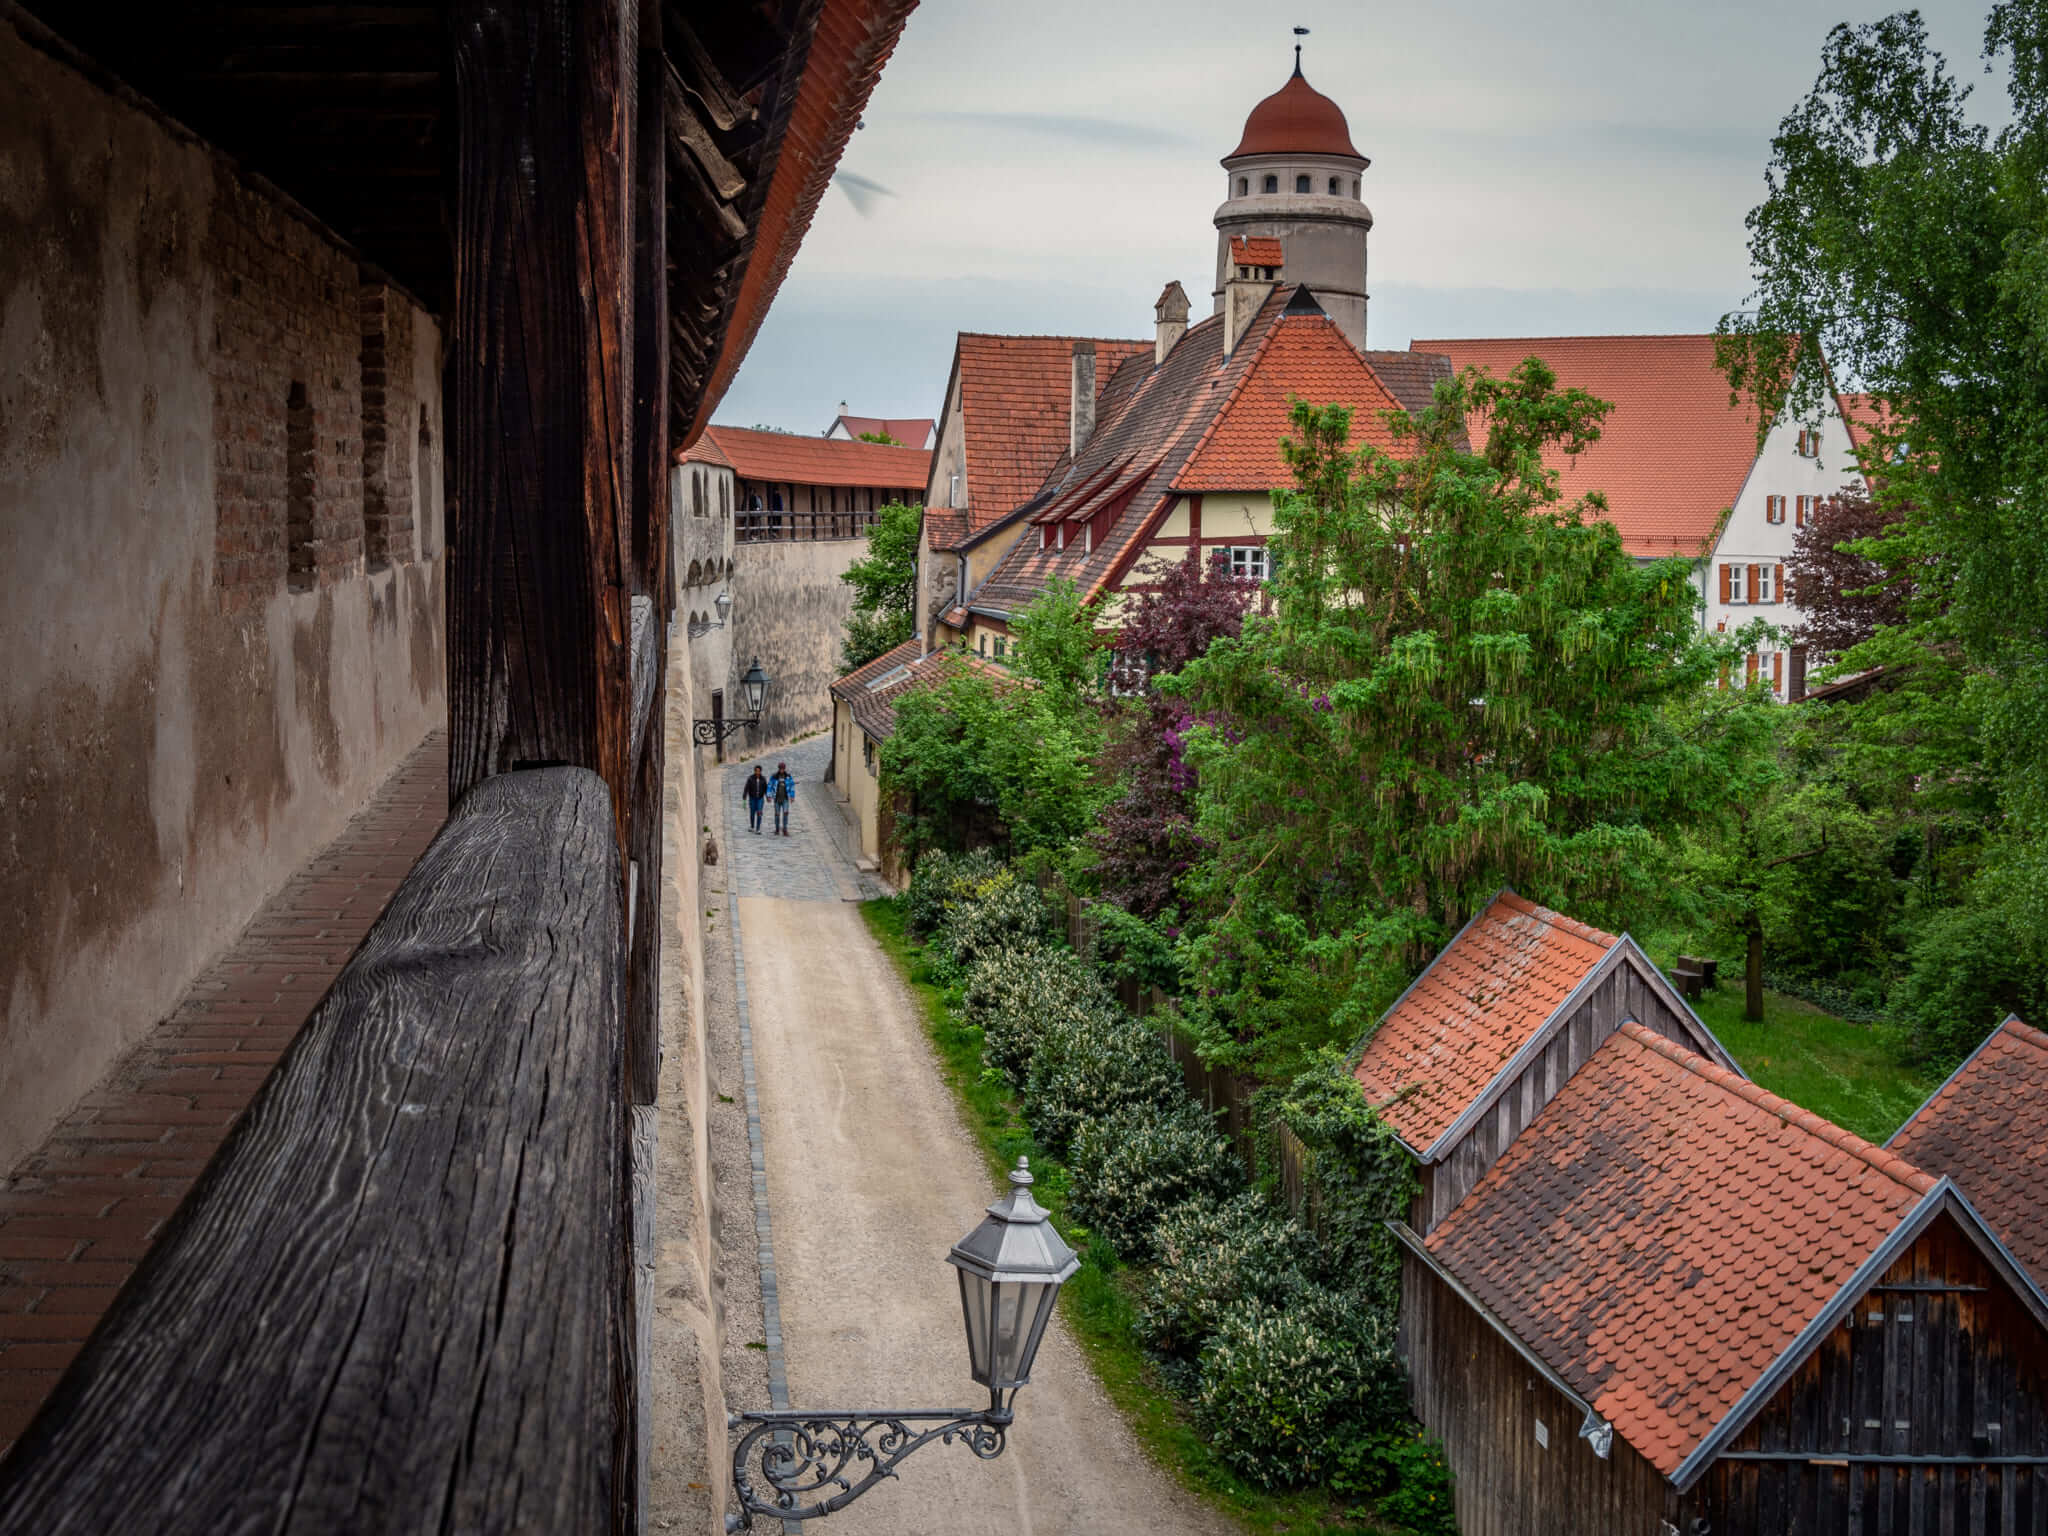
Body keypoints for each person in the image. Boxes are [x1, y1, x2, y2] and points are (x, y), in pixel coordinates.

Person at [768, 761, 797, 836]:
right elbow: (770, 786)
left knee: (785, 813)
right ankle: (777, 829)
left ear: (784, 769)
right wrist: (769, 795)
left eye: (783, 768)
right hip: (777, 798)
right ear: (779, 768)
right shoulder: (774, 776)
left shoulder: (788, 776)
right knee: (777, 814)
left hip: (785, 798)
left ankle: (785, 829)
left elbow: (792, 786)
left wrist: (792, 796)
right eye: (780, 768)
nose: (781, 770)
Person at [741, 765, 769, 833]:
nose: (757, 772)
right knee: (752, 813)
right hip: (752, 798)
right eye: (756, 771)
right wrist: (744, 796)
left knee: (759, 813)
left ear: (760, 771)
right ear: (754, 771)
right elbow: (746, 788)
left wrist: (767, 796)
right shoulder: (750, 778)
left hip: (760, 798)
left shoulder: (763, 779)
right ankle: (752, 826)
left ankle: (758, 828)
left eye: (759, 771)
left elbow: (766, 789)